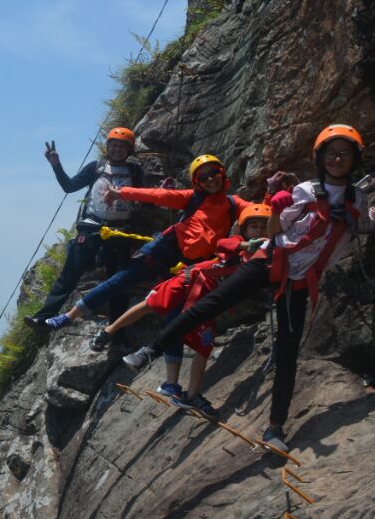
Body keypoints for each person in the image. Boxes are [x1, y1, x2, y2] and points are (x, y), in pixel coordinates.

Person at [125, 124, 375, 451]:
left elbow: (368, 223)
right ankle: (150, 351)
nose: (337, 159)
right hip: (269, 260)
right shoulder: (306, 191)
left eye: (344, 153)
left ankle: (275, 429)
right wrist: (279, 208)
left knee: (287, 352)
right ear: (320, 157)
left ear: (354, 159)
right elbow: (273, 230)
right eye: (331, 153)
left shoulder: (357, 198)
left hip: (299, 281)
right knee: (210, 305)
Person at [49, 154, 245, 348]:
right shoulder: (192, 198)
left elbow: (255, 211)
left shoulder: (233, 204)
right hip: (163, 248)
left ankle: (157, 360)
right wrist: (121, 192)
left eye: (213, 173)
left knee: (174, 310)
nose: (210, 179)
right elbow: (157, 195)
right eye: (203, 177)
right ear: (197, 182)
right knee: (120, 280)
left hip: (188, 264)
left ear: (222, 173)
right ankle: (69, 316)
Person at [102, 203, 273, 418]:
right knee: (152, 304)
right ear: (244, 229)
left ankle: (191, 395)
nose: (259, 231)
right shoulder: (239, 243)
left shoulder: (265, 255)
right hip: (189, 280)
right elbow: (223, 244)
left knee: (204, 344)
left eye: (264, 227)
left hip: (207, 299)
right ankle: (110, 331)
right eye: (254, 226)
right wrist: (246, 245)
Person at [22, 128, 146, 331]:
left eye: (122, 147)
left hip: (119, 233)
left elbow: (144, 198)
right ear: (107, 147)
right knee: (69, 275)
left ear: (129, 150)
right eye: (113, 145)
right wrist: (56, 165)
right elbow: (69, 186)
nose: (117, 150)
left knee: (117, 283)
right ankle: (42, 319)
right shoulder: (96, 167)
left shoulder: (135, 171)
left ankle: (116, 333)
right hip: (91, 229)